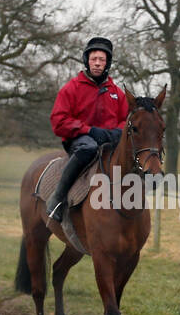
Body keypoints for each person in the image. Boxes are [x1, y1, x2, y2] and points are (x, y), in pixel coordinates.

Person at [44, 36, 129, 222]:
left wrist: (119, 131)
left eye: (102, 60)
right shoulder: (71, 88)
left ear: (107, 63)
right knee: (89, 147)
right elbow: (59, 120)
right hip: (79, 140)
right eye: (93, 59)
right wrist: (88, 130)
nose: (97, 63)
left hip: (109, 141)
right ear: (87, 61)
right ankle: (58, 198)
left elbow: (126, 119)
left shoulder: (117, 93)